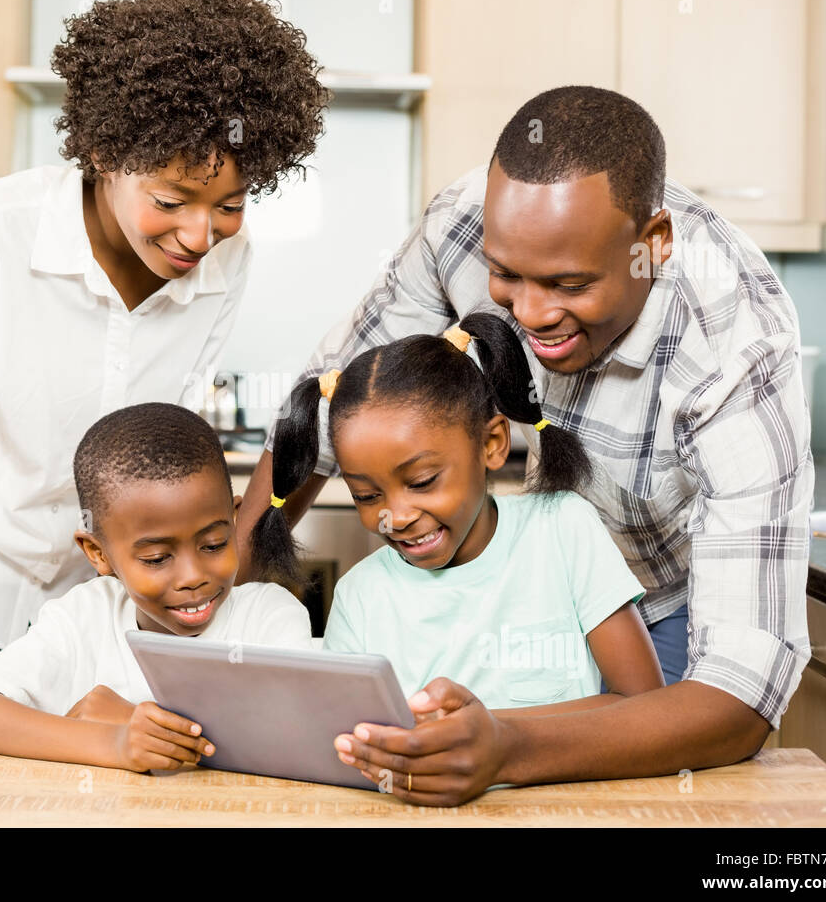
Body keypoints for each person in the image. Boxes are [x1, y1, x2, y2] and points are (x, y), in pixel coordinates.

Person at [235, 85, 814, 806]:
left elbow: (739, 695)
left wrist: (506, 742)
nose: (533, 315)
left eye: (570, 283)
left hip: (662, 607)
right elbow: (333, 406)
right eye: (506, 278)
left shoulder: (737, 345)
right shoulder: (463, 224)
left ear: (652, 244)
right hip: (518, 599)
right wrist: (211, 588)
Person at [0, 0, 329, 755]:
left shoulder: (229, 261)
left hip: (109, 615)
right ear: (103, 152)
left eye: (228, 204)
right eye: (173, 198)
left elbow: (168, 431)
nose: (200, 234)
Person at [251, 316, 663, 746]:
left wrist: (494, 737)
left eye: (423, 481)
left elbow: (643, 704)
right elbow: (344, 738)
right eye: (367, 496)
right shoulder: (361, 596)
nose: (398, 515)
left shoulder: (562, 529)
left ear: (492, 444)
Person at [0, 403, 313, 771]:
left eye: (213, 545)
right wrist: (116, 744)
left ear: (235, 521)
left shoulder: (270, 618)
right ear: (98, 554)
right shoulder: (85, 616)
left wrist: (128, 718)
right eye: (156, 558)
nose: (192, 576)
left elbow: (299, 739)